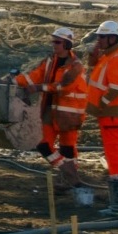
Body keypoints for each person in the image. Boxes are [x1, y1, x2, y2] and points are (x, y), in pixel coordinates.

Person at [14, 27, 95, 186]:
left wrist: (39, 88)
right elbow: (33, 77)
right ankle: (67, 172)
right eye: (53, 41)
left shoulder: (75, 67)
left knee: (68, 150)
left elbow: (62, 86)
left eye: (57, 42)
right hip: (50, 112)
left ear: (67, 44)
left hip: (69, 116)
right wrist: (11, 81)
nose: (54, 45)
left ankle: (68, 180)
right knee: (43, 144)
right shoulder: (50, 61)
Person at [84, 19, 118, 206]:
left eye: (102, 38)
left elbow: (115, 88)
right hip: (110, 111)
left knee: (114, 145)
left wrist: (101, 104)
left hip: (113, 110)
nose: (98, 41)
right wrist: (93, 57)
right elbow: (96, 71)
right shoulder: (110, 55)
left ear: (112, 38)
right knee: (113, 144)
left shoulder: (117, 58)